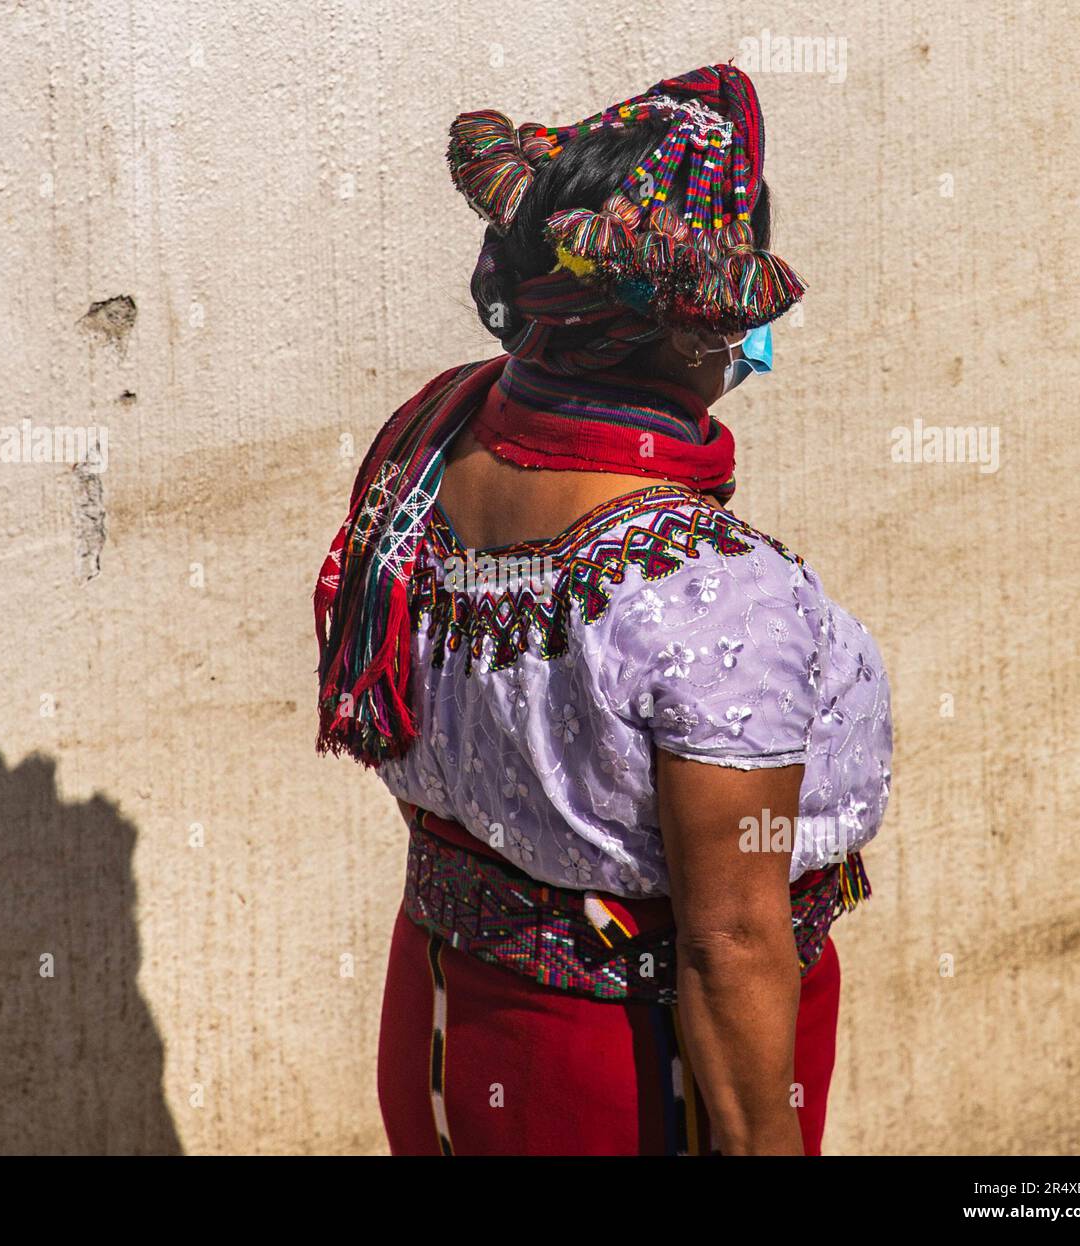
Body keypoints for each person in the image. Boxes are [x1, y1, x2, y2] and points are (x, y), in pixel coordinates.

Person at [314, 63, 892, 1156]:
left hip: (445, 1016)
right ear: (690, 331)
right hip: (632, 1069)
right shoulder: (714, 596)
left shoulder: (431, 437)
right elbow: (728, 939)